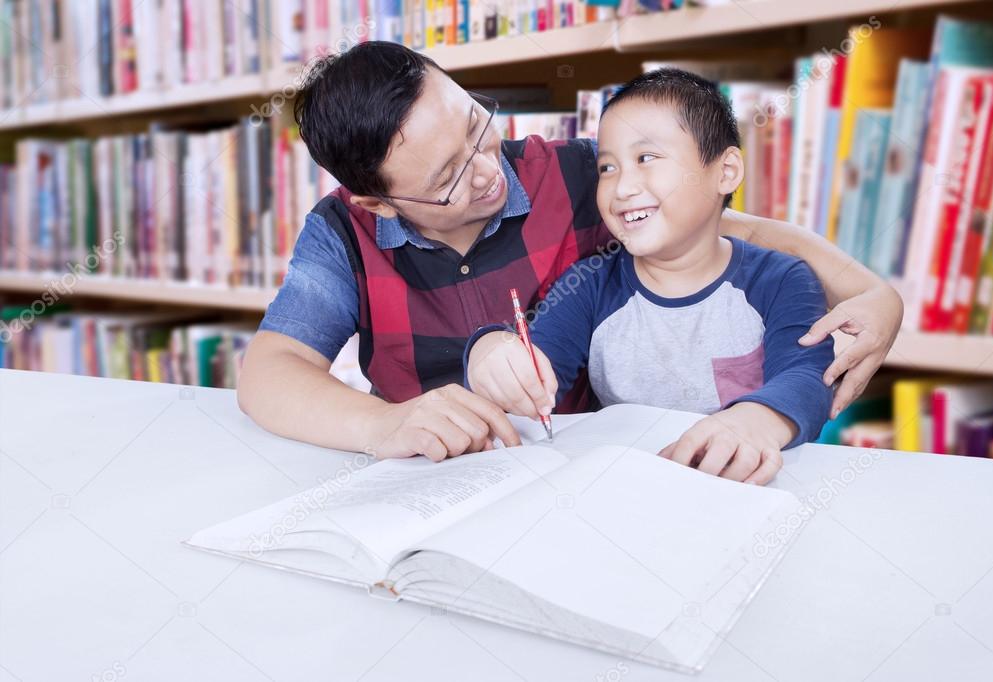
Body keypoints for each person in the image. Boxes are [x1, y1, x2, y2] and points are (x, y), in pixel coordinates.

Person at [236, 42, 903, 463]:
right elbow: (271, 371)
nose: (486, 170)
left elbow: (734, 233)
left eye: (475, 124)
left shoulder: (580, 174)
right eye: (447, 178)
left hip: (586, 474)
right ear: (375, 203)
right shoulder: (340, 233)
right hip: (434, 481)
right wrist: (383, 427)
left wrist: (873, 293)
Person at [466, 68, 834, 484]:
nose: (622, 188)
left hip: (754, 489)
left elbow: (808, 375)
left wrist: (754, 422)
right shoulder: (587, 286)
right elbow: (537, 365)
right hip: (632, 493)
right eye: (607, 168)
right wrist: (496, 356)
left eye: (646, 158)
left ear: (726, 171)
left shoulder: (783, 279)